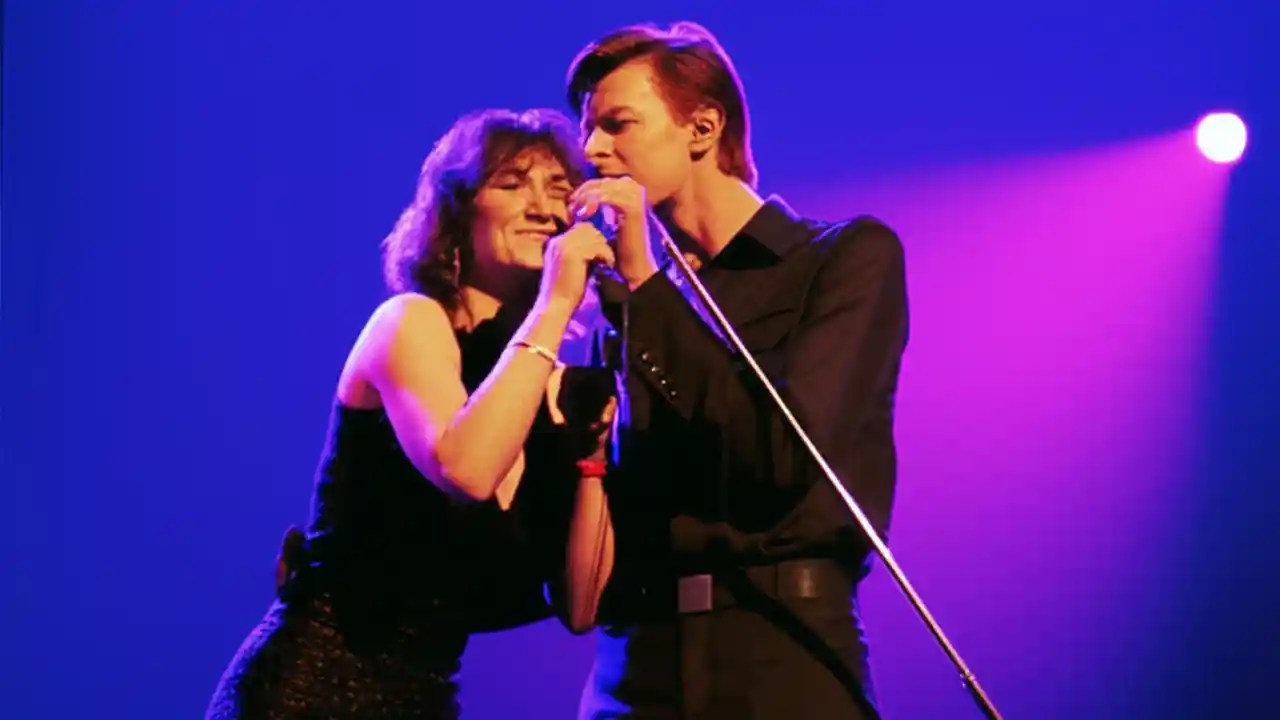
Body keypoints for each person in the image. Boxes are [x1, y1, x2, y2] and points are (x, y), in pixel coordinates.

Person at [205, 107, 617, 719]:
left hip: (421, 697)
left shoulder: (545, 385)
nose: (542, 208)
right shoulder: (410, 323)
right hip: (310, 691)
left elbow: (580, 608)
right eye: (511, 184)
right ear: (457, 215)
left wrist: (591, 456)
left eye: (558, 190)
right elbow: (468, 469)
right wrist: (556, 303)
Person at [560, 22, 910, 719]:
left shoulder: (840, 260)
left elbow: (779, 458)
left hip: (780, 651)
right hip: (635, 666)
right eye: (588, 130)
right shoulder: (637, 302)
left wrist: (645, 288)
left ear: (703, 127)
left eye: (617, 124)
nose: (592, 149)